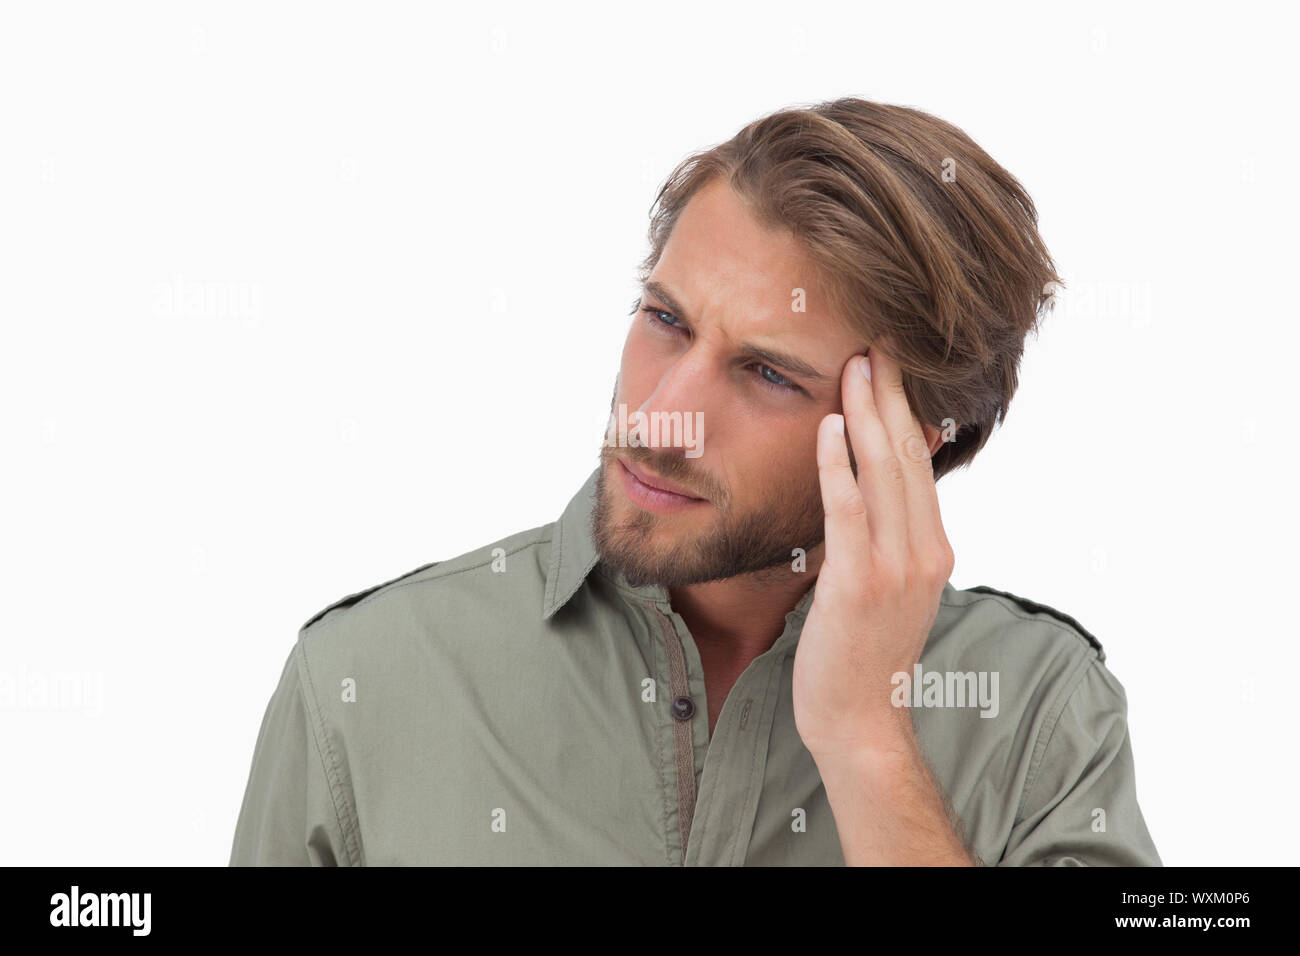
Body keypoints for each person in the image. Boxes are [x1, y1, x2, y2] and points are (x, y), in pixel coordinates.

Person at [230, 97, 1160, 866]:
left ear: (903, 443)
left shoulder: (1041, 715)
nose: (659, 416)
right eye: (665, 320)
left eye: (768, 373)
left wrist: (868, 744)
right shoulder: (362, 681)